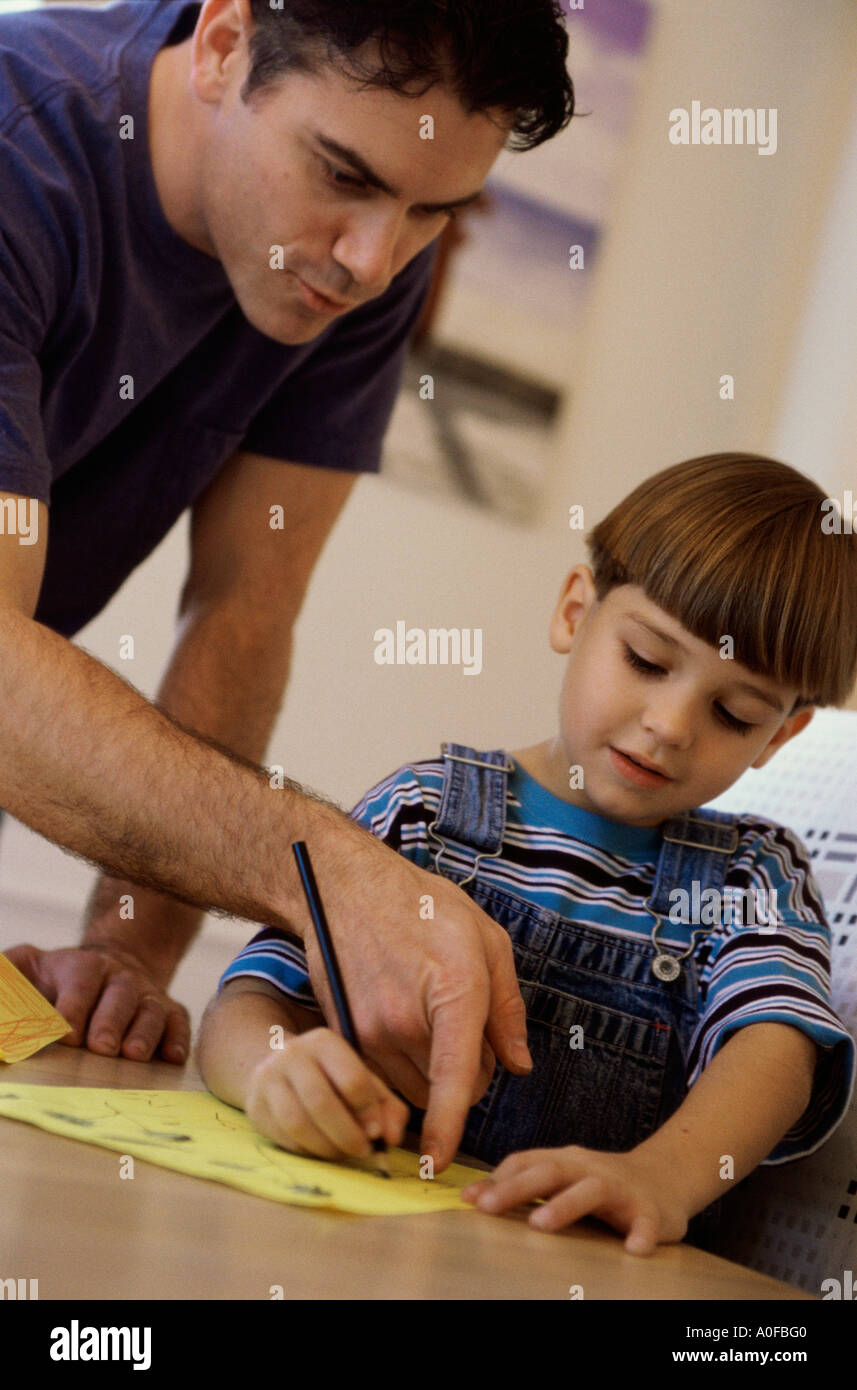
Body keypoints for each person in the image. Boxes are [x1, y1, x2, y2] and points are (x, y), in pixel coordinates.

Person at [0, 0, 575, 1170]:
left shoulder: (357, 266)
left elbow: (244, 607)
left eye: (432, 210)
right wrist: (324, 868)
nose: (374, 259)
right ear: (221, 45)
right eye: (343, 174)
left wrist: (125, 951)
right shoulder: (20, 158)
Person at [197, 453, 857, 1255]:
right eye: (646, 662)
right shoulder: (426, 811)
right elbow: (250, 1002)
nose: (670, 724)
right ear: (575, 614)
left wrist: (661, 1178)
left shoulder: (752, 876)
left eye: (734, 711)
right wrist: (273, 1071)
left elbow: (776, 1050)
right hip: (355, 1249)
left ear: (780, 735)